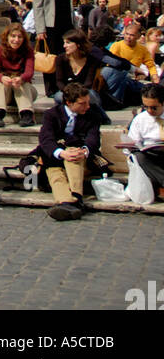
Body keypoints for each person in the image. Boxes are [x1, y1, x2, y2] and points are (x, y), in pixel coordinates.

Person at [37, 80, 104, 221]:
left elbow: (93, 139)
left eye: (88, 102)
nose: (87, 106)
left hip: (81, 157)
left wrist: (84, 151)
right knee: (54, 173)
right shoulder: (51, 115)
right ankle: (68, 203)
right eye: (82, 103)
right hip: (57, 156)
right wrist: (61, 153)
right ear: (69, 102)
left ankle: (75, 197)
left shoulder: (93, 115)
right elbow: (46, 139)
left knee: (74, 155)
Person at [32, 0, 74, 95]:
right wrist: (40, 29)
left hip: (66, 25)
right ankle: (51, 88)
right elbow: (37, 7)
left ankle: (64, 85)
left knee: (66, 56)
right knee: (50, 57)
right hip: (50, 27)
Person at [52, 28, 117, 119]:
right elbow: (59, 81)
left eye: (68, 43)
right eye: (64, 42)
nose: (64, 46)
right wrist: (69, 92)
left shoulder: (91, 59)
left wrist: (78, 93)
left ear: (78, 44)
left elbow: (89, 82)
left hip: (85, 90)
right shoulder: (60, 59)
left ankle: (99, 116)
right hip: (67, 91)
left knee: (92, 96)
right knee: (58, 96)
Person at [119, 83, 164, 202]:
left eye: (154, 107)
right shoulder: (140, 119)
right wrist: (131, 147)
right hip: (150, 159)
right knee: (138, 157)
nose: (149, 111)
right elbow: (133, 143)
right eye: (145, 107)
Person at [101, 21, 159, 106]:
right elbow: (111, 65)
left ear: (138, 36)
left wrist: (155, 76)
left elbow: (150, 64)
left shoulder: (142, 49)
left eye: (132, 35)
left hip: (133, 80)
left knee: (149, 91)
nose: (128, 37)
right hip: (120, 78)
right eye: (127, 34)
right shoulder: (117, 46)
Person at [0, 24, 37, 126]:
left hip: (23, 91)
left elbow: (29, 72)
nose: (16, 40)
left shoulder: (28, 51)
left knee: (23, 85)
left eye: (20, 37)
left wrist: (21, 78)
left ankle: (27, 114)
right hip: (5, 92)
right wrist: (2, 78)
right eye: (13, 36)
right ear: (7, 37)